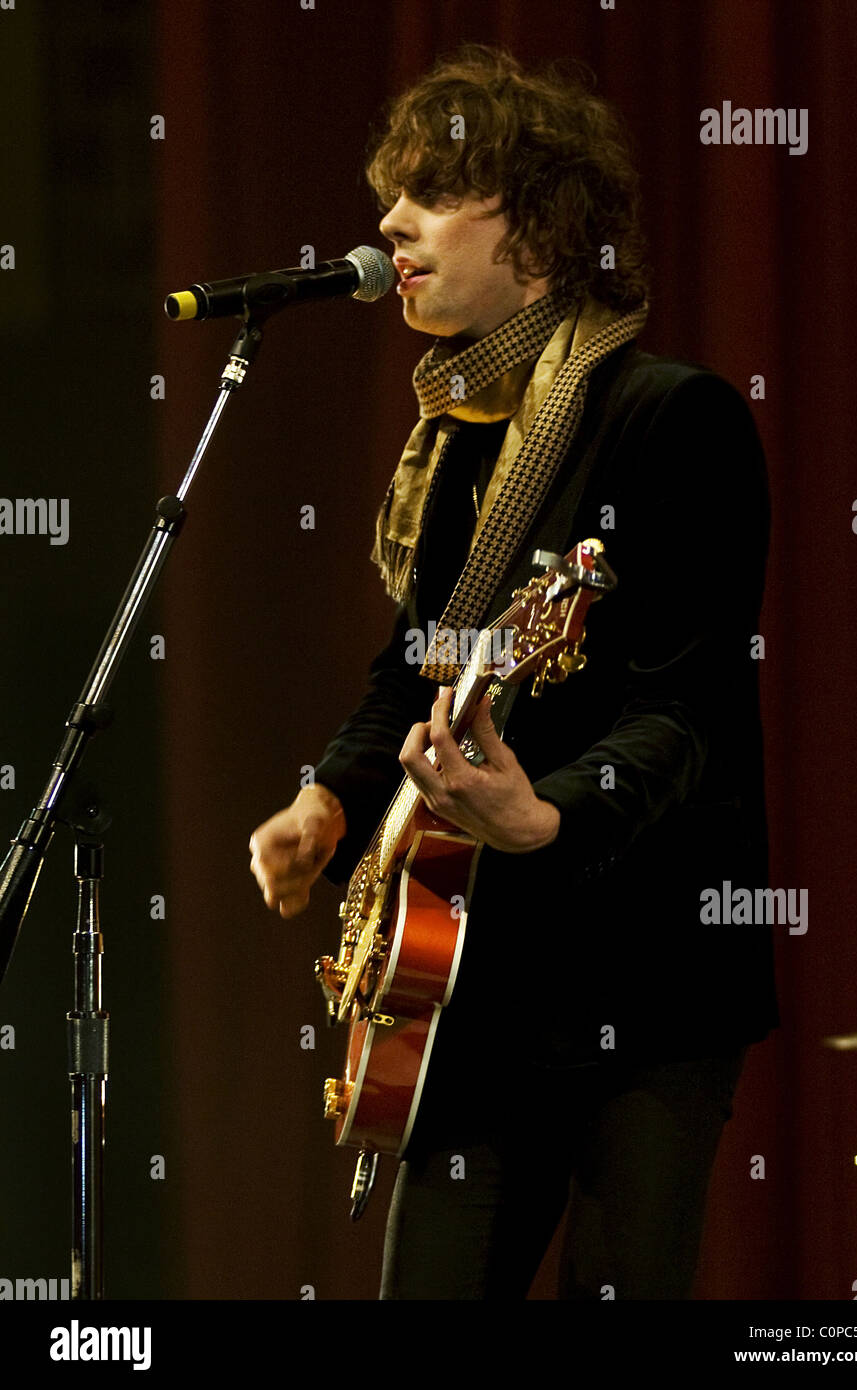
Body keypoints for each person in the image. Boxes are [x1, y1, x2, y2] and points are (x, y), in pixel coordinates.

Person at [249, 44, 778, 1300]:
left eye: (434, 191)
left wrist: (550, 813)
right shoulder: (453, 450)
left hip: (646, 985)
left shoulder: (671, 418)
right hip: (475, 986)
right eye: (395, 192)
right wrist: (325, 797)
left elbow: (686, 706)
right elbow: (412, 669)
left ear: (536, 229)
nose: (389, 222)